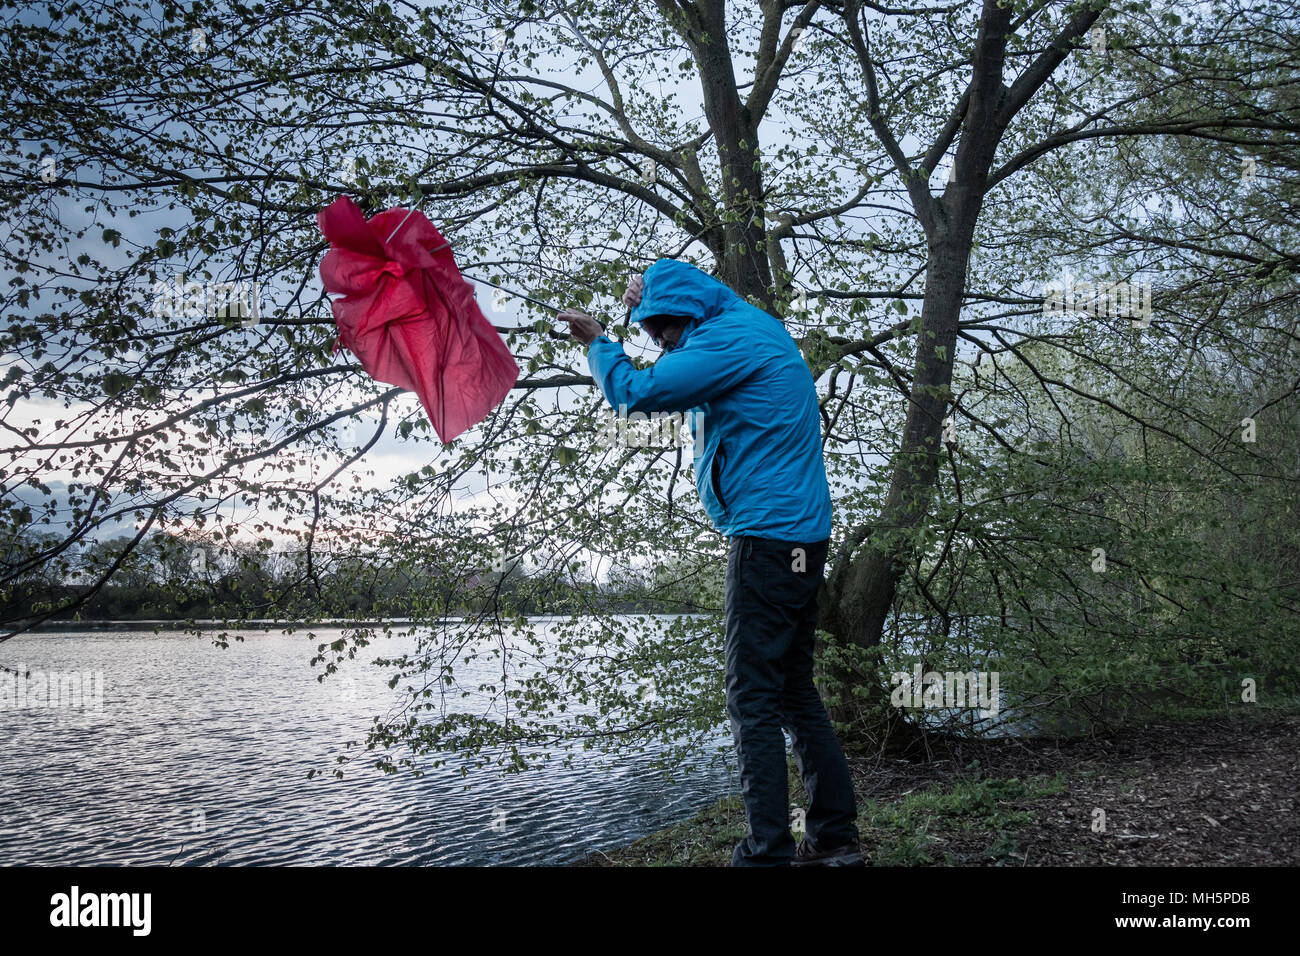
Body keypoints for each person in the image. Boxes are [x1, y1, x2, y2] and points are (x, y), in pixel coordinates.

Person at [559, 258, 863, 867]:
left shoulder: (723, 341)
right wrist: (638, 310)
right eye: (652, 335)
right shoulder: (750, 328)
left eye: (663, 333)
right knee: (793, 691)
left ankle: (767, 853)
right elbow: (673, 360)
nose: (662, 345)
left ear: (685, 316)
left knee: (750, 697)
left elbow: (637, 392)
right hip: (802, 539)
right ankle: (834, 842)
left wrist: (599, 342)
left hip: (767, 540)